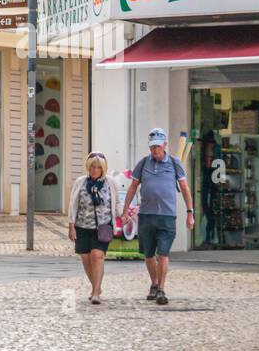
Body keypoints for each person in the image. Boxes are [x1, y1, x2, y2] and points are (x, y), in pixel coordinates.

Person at [123, 128, 193, 306]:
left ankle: (161, 289)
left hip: (167, 216)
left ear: (165, 145)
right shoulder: (143, 163)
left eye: (158, 146)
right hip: (146, 215)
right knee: (148, 255)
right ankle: (154, 283)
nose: (155, 150)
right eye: (152, 147)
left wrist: (190, 213)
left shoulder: (175, 163)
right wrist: (125, 210)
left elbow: (184, 188)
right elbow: (132, 187)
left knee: (163, 254)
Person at [67, 152, 121, 304]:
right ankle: (96, 285)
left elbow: (116, 202)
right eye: (92, 167)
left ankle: (96, 291)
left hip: (103, 226)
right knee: (86, 258)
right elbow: (73, 204)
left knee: (97, 256)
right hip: (82, 226)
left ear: (103, 168)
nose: (95, 170)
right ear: (88, 167)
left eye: (98, 167)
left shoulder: (110, 182)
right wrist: (71, 225)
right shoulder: (81, 182)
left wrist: (122, 216)